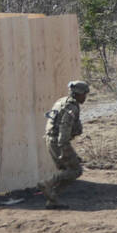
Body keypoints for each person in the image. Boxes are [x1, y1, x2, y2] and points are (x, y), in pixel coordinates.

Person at [40, 80, 88, 210]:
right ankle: (48, 183)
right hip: (59, 142)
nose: (85, 97)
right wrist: (64, 149)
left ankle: (53, 199)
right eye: (84, 94)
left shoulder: (61, 101)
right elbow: (64, 128)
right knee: (76, 170)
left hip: (51, 139)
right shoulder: (71, 107)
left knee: (67, 171)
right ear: (78, 93)